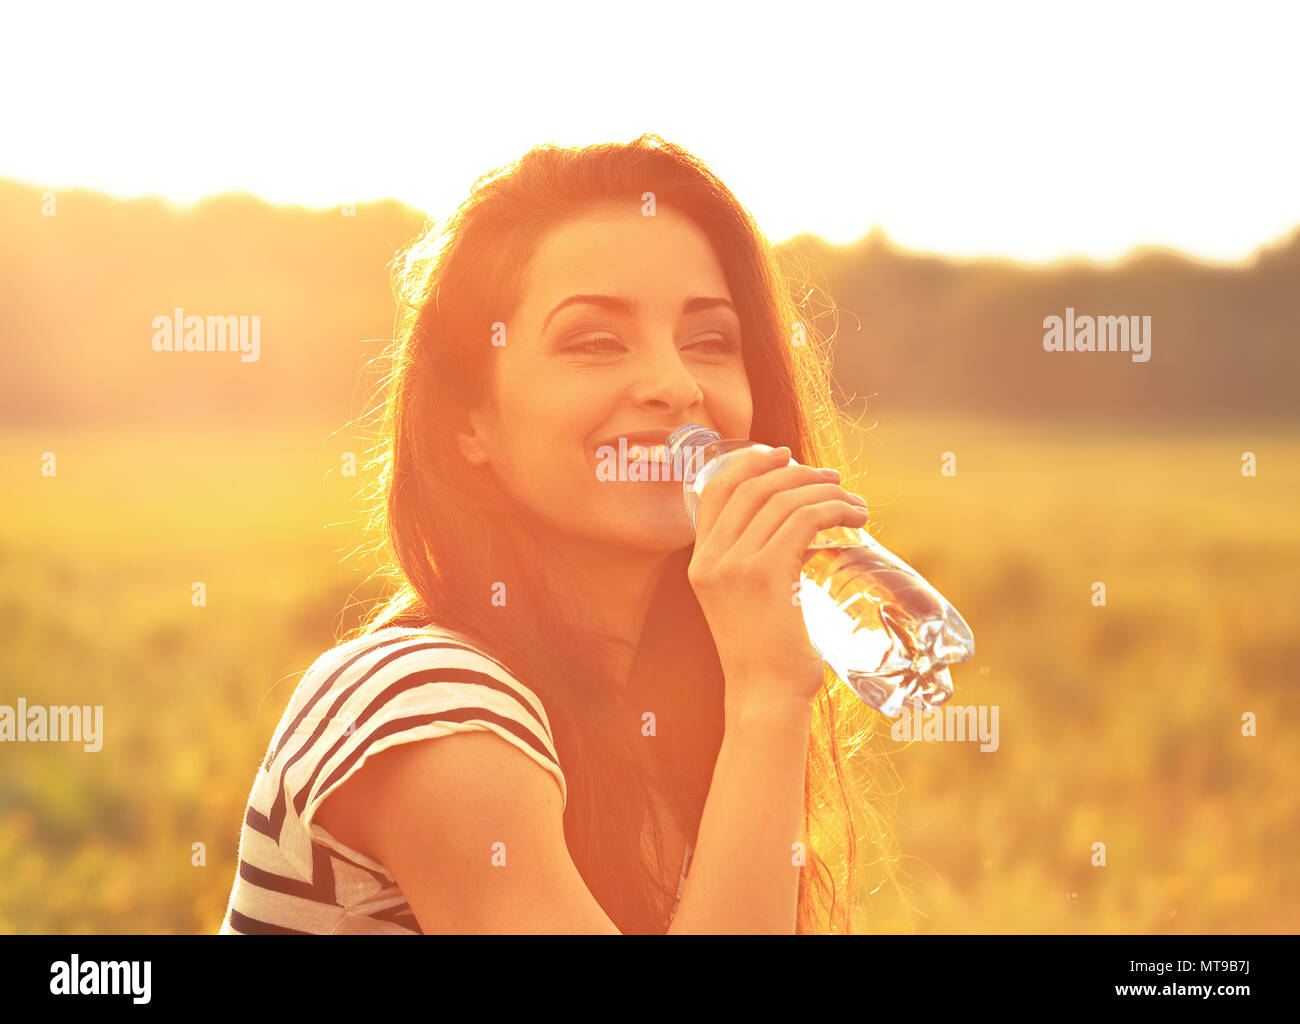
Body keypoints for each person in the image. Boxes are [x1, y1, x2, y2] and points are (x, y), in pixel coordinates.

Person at [220, 133, 897, 934]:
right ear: (470, 420)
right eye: (595, 341)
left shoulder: (651, 719)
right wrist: (768, 697)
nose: (675, 387)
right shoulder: (425, 703)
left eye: (710, 341)